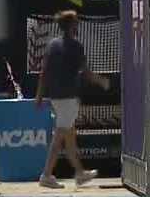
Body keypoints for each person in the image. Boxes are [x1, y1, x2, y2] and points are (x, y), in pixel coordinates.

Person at [35, 10, 108, 189]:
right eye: (76, 22)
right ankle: (46, 175)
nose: (78, 25)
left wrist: (39, 96)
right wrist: (102, 81)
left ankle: (80, 173)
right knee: (60, 135)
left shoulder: (52, 45)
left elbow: (44, 73)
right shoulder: (76, 46)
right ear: (72, 26)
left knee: (69, 137)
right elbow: (86, 72)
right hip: (68, 98)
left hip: (56, 98)